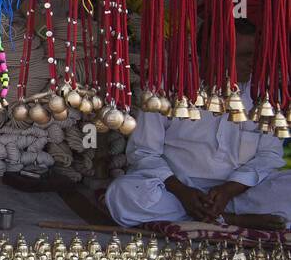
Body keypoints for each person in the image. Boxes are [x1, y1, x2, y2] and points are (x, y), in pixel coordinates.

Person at [106, 88, 290, 230]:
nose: (250, 63)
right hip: (174, 191)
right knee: (121, 194)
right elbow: (144, 152)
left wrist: (228, 190)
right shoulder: (167, 84)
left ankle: (210, 217)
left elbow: (269, 156)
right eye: (244, 56)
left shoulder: (266, 89)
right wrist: (182, 191)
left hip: (239, 194)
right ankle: (230, 220)